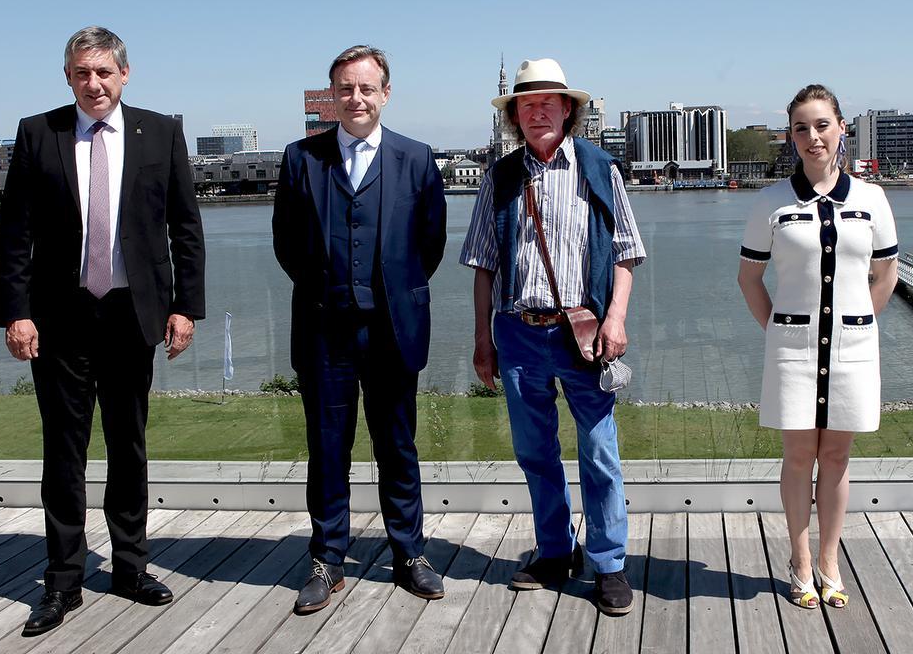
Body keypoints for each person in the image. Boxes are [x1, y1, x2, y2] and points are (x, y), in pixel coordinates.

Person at [0, 26, 205, 636]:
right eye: (82, 73)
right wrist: (16, 312)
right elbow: (15, 235)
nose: (94, 84)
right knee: (63, 450)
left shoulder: (161, 133)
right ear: (68, 78)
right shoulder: (39, 134)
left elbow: (184, 229)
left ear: (125, 74)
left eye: (104, 72)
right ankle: (62, 581)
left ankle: (130, 566)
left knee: (127, 443)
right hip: (58, 319)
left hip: (132, 315)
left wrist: (185, 306)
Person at [460, 58, 645, 616]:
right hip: (518, 334)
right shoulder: (500, 176)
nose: (537, 111)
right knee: (534, 453)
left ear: (568, 110)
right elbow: (483, 265)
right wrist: (482, 340)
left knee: (599, 451)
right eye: (526, 103)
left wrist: (615, 318)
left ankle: (608, 563)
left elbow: (626, 252)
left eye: (548, 102)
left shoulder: (599, 167)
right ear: (515, 114)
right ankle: (556, 550)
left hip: (583, 335)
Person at [272, 45, 447, 614]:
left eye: (366, 88)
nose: (356, 99)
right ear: (332, 96)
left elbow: (431, 244)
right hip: (326, 330)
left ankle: (410, 553)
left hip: (394, 329)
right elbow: (287, 244)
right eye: (345, 89)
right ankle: (327, 559)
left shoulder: (417, 159)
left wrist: (392, 290)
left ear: (385, 93)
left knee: (397, 444)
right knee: (328, 449)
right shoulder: (301, 159)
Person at [737, 84, 898, 610]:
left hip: (853, 349)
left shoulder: (872, 199)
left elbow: (886, 273)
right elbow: (748, 279)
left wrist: (859, 327)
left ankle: (830, 560)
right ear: (791, 137)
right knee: (798, 455)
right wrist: (778, 331)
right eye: (801, 128)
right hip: (792, 350)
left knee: (836, 455)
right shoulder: (770, 202)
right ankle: (800, 559)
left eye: (822, 125)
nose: (812, 137)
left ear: (841, 128)